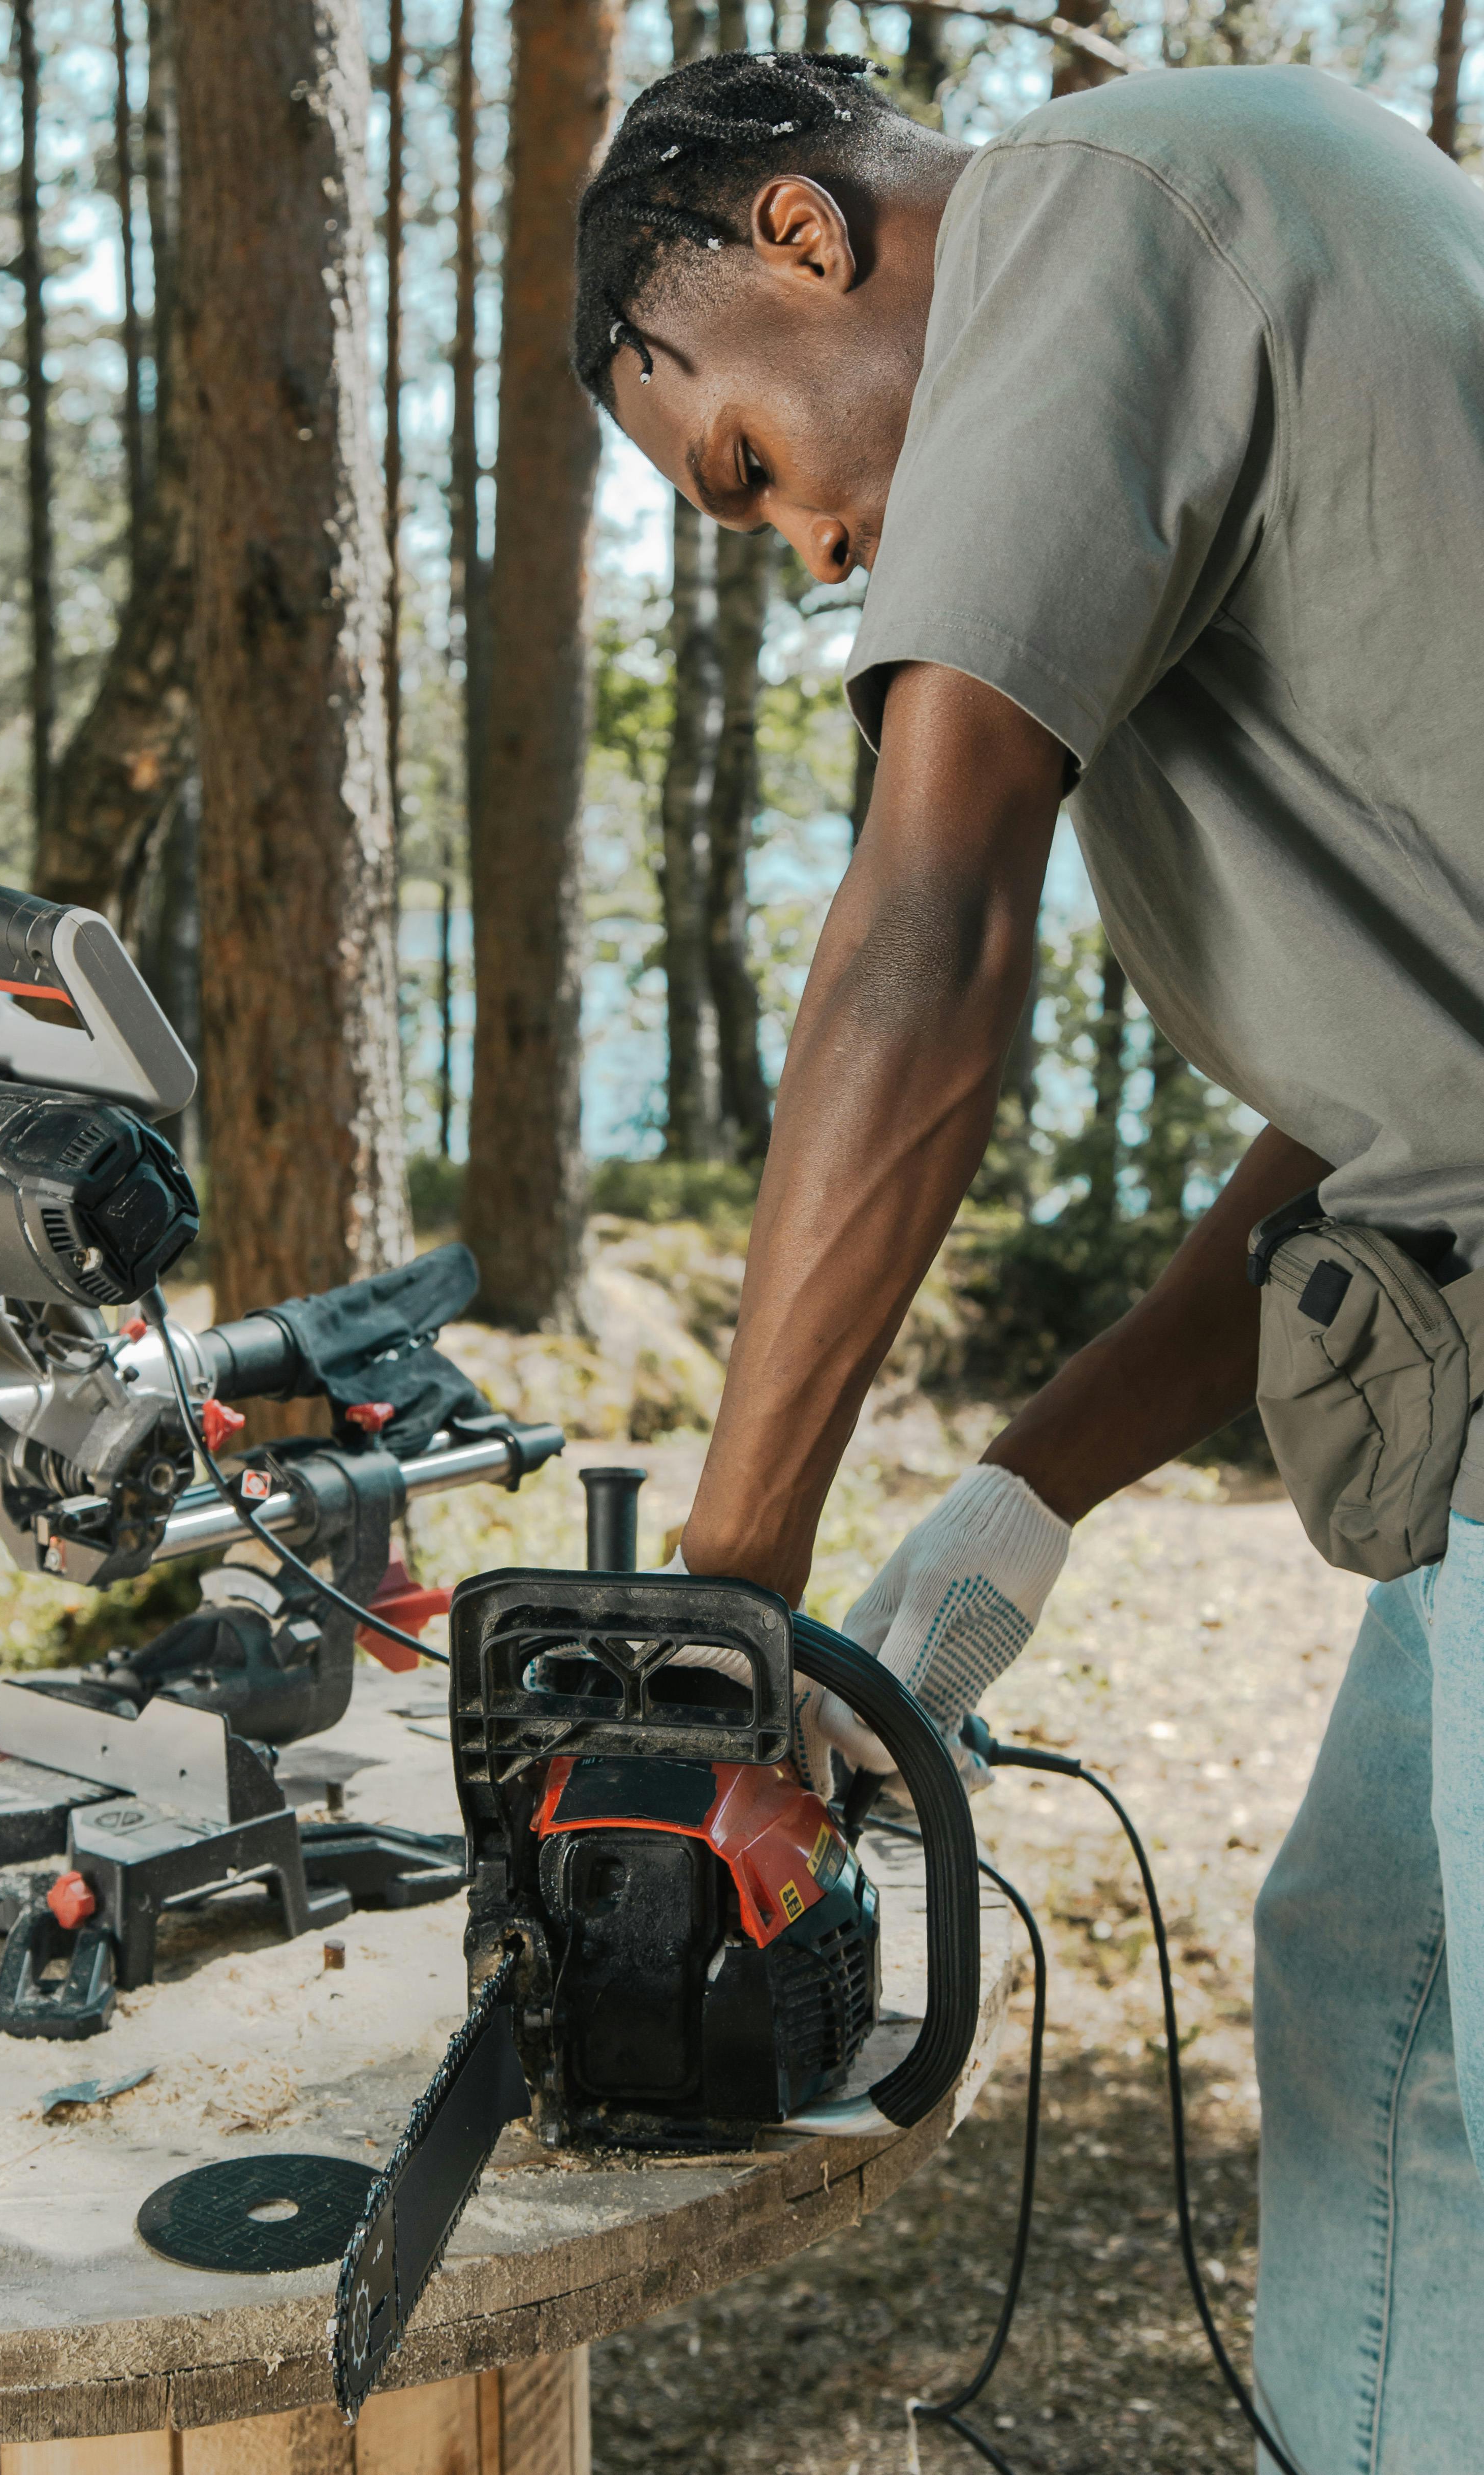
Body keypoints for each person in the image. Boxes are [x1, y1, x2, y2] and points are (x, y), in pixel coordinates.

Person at [573, 48, 1484, 2474]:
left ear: (798, 236)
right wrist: (1015, 1510)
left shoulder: (1093, 208)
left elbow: (929, 919)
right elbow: (1389, 1116)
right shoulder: (1239, 247)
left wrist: (721, 1611)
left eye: (741, 469)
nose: (797, 552)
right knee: (1379, 2009)